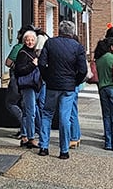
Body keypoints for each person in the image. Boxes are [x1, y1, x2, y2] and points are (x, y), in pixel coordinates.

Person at [37, 20, 88, 159]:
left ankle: (43, 147)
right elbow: (83, 70)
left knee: (47, 114)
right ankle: (64, 150)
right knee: (65, 117)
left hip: (52, 85)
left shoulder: (50, 43)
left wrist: (47, 77)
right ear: (72, 32)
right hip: (69, 86)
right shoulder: (78, 47)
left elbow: (41, 63)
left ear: (59, 30)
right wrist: (75, 82)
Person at [13, 30, 41, 149]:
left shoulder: (32, 52)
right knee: (31, 112)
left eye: (32, 40)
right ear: (24, 41)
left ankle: (24, 136)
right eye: (28, 40)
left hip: (31, 86)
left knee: (26, 111)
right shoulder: (23, 53)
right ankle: (31, 138)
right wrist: (33, 65)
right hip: (28, 85)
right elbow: (19, 70)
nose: (30, 42)